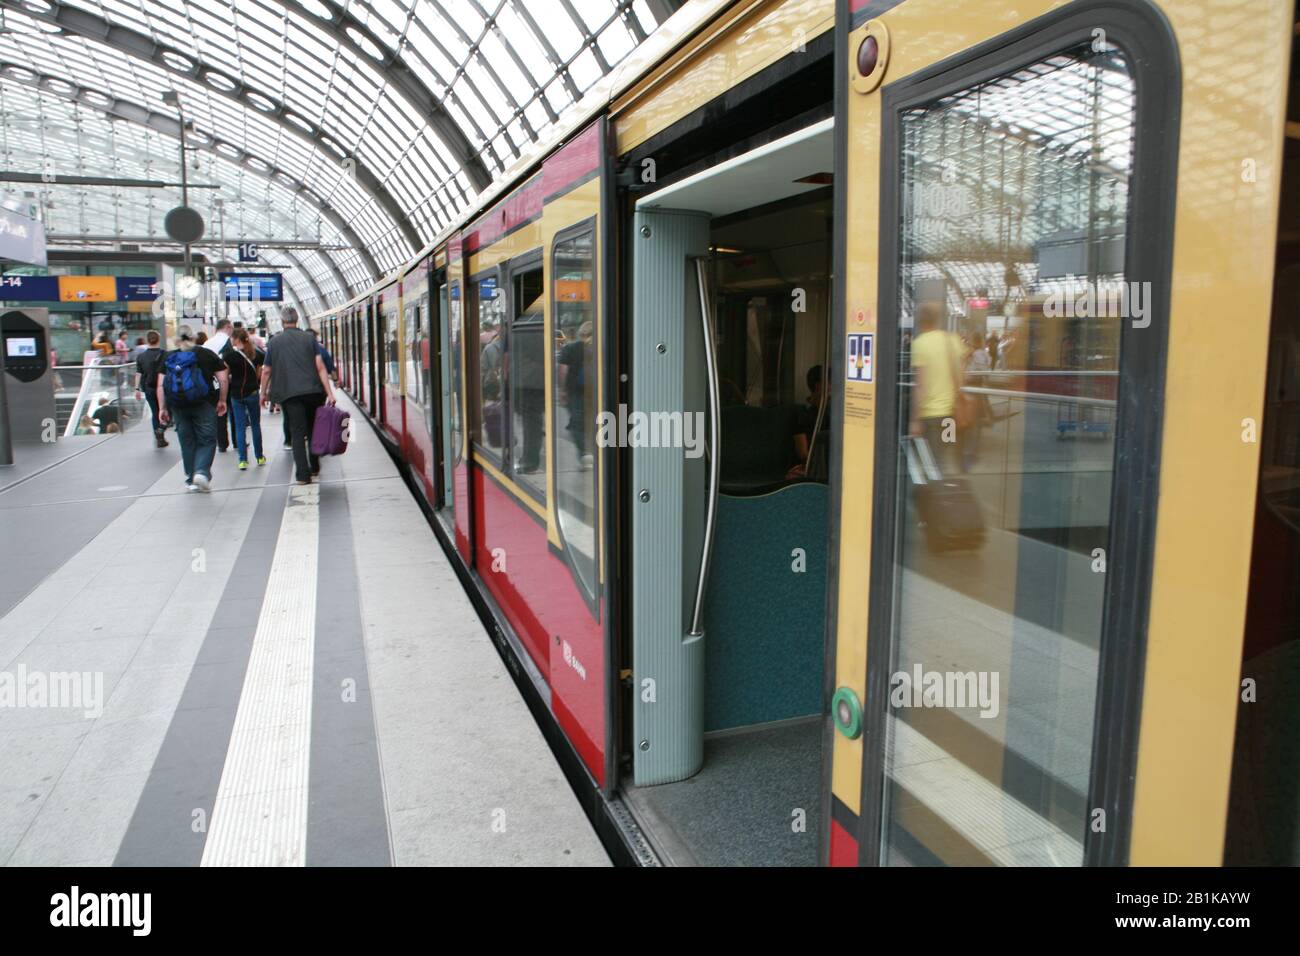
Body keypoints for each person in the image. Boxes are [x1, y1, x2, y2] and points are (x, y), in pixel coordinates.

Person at [260, 307, 336, 485]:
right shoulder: (309, 338)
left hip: (289, 394)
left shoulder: (274, 342)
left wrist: (263, 394)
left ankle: (302, 475)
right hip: (313, 392)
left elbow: (266, 371)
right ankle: (315, 466)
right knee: (313, 429)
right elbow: (320, 367)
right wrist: (330, 393)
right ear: (297, 320)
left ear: (282, 322)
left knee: (297, 433)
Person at [158, 324, 228, 493]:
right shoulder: (206, 354)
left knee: (187, 441)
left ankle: (191, 480)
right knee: (207, 439)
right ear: (194, 337)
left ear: (176, 340)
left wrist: (162, 408)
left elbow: (161, 385)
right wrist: (222, 400)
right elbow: (223, 379)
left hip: (178, 406)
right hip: (204, 403)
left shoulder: (169, 357)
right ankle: (202, 472)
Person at [909, 302, 966, 475]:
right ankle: (942, 485)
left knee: (930, 461)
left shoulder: (920, 344)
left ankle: (934, 489)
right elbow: (961, 376)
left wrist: (915, 419)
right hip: (951, 416)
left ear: (920, 320)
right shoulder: (952, 340)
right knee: (943, 457)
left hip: (931, 416)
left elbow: (920, 386)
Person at [221, 327, 266, 470]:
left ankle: (243, 460)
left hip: (236, 395)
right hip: (252, 393)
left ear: (235, 339)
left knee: (240, 427)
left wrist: (222, 397)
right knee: (255, 425)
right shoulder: (256, 354)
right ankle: (259, 457)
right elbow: (258, 375)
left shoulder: (229, 356)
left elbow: (225, 378)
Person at [558, 321, 593, 465]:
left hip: (576, 392)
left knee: (576, 425)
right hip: (596, 391)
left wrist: (562, 390)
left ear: (580, 333)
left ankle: (584, 453)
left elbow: (563, 371)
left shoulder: (570, 348)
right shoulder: (603, 347)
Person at [789, 364, 830, 480]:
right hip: (813, 466)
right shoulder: (802, 414)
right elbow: (803, 453)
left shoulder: (832, 412)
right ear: (819, 386)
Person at [134, 330, 169, 448]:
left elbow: (138, 373)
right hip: (164, 387)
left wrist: (136, 389)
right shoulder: (165, 354)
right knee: (167, 409)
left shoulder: (141, 356)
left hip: (149, 387)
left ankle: (158, 436)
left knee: (155, 412)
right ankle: (162, 428)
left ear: (147, 340)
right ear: (158, 340)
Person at [206, 319, 234, 453]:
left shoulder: (207, 343)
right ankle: (237, 441)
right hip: (224, 381)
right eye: (231, 328)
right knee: (230, 410)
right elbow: (228, 362)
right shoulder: (226, 341)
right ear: (227, 327)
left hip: (211, 383)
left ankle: (222, 443)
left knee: (219, 413)